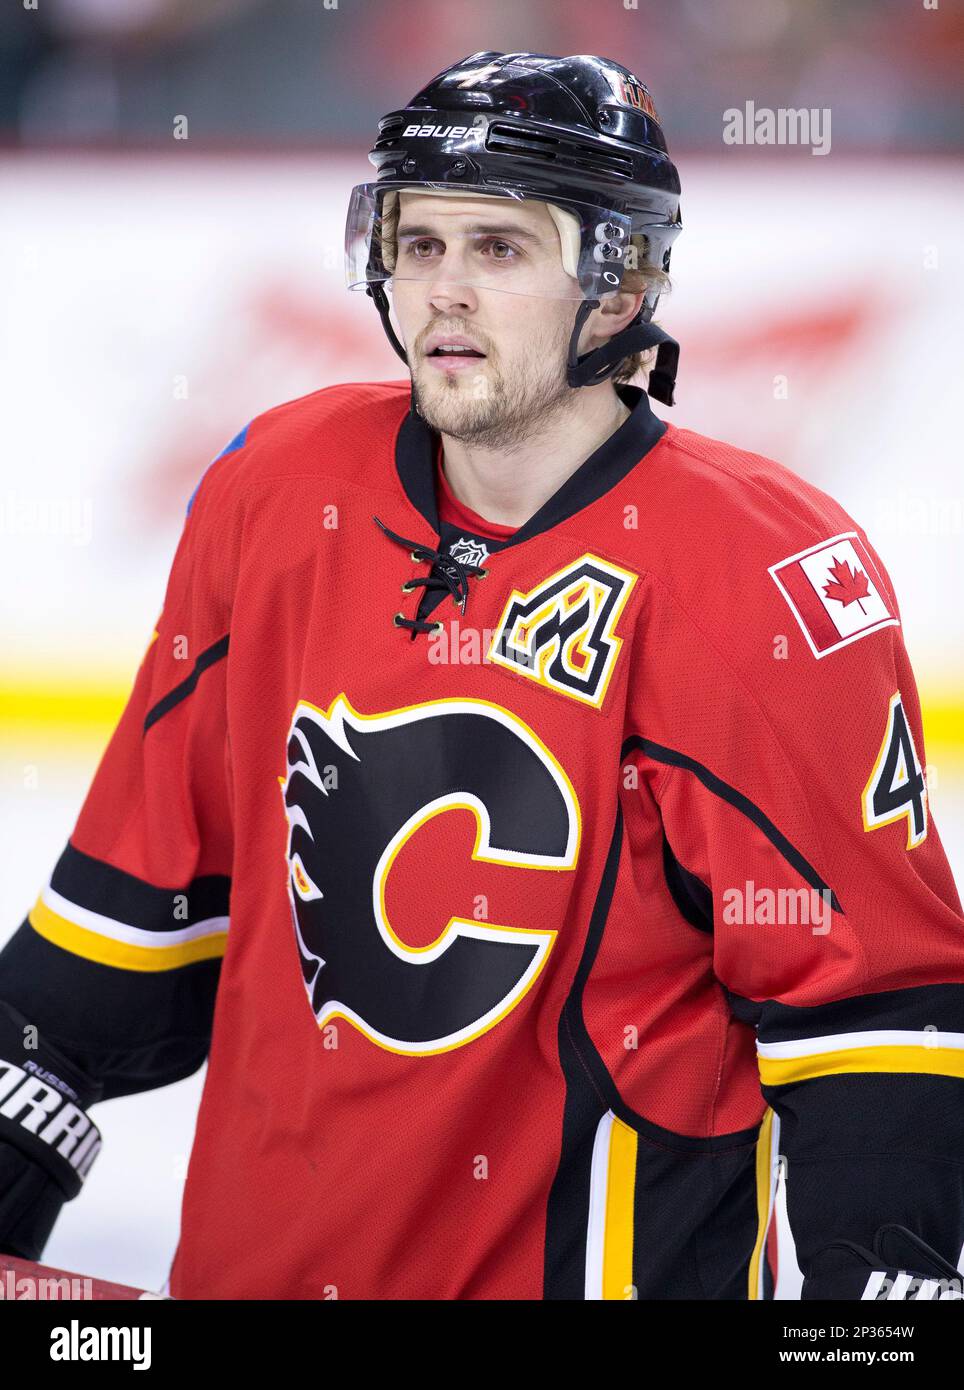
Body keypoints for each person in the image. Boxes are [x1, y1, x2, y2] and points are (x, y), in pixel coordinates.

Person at [1, 50, 962, 1302]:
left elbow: (869, 1021)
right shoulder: (280, 491)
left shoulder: (763, 575)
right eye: (419, 245)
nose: (443, 292)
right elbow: (133, 915)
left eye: (498, 250)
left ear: (617, 282)